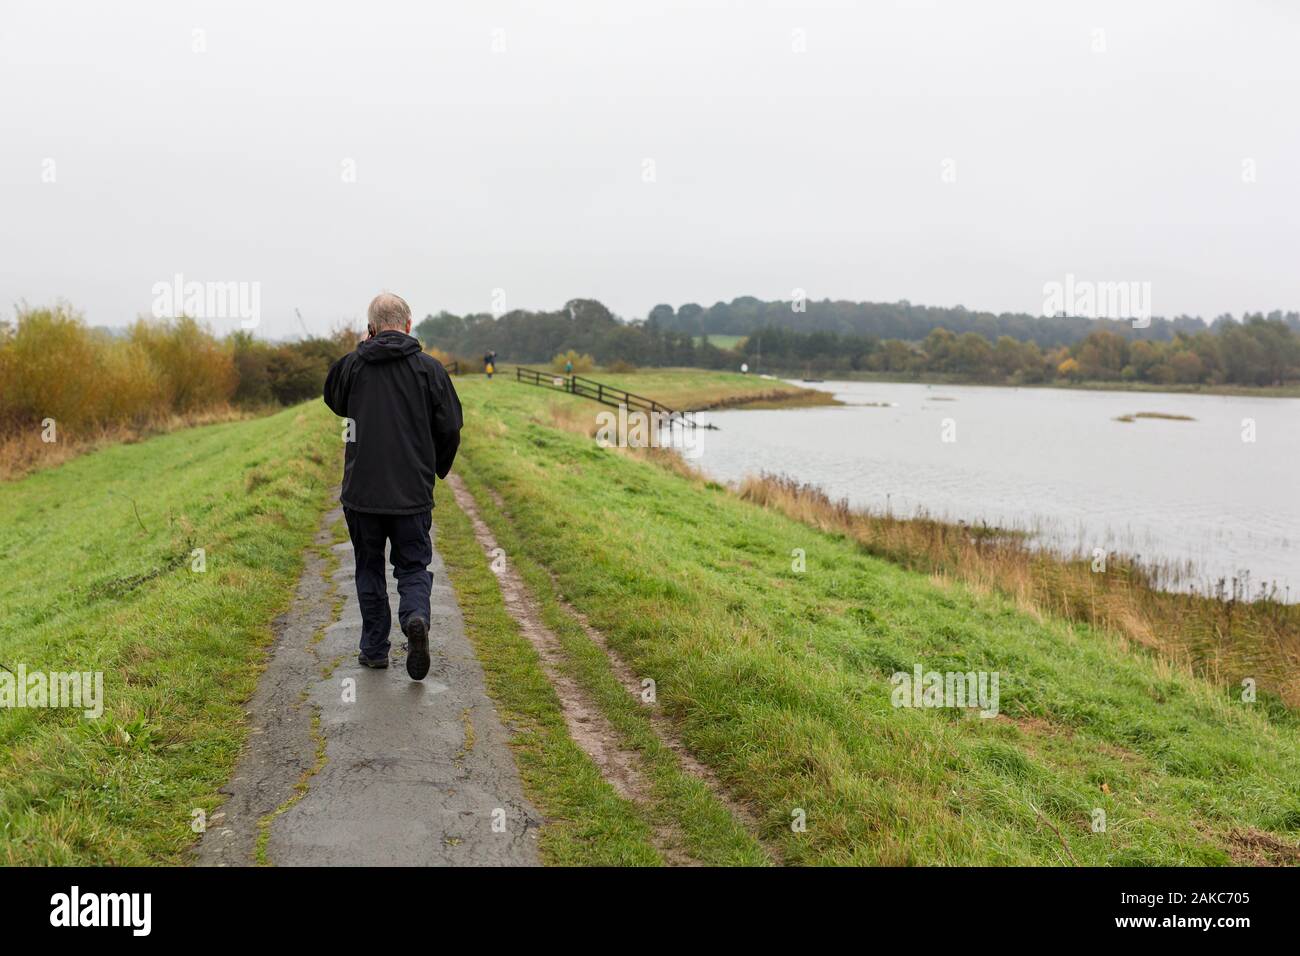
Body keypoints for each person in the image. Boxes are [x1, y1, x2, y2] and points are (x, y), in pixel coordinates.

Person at [323, 292, 463, 680]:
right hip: (411, 493)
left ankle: (374, 650)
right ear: (408, 324)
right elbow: (450, 426)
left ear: (369, 329)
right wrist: (436, 467)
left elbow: (333, 397)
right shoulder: (430, 370)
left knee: (369, 567)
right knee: (413, 565)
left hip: (362, 493)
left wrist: (361, 351)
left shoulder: (352, 366)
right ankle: (415, 616)